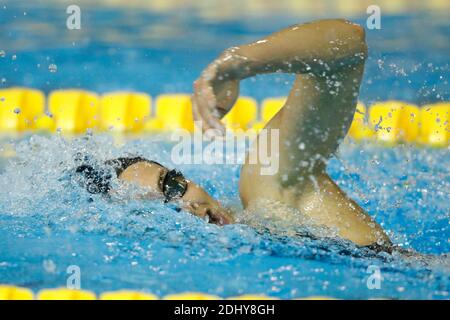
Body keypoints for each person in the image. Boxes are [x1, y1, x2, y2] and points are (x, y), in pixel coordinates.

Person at [76, 19, 392, 252]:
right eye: (158, 210)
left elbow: (348, 45)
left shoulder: (271, 192)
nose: (189, 210)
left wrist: (240, 63)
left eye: (172, 187)